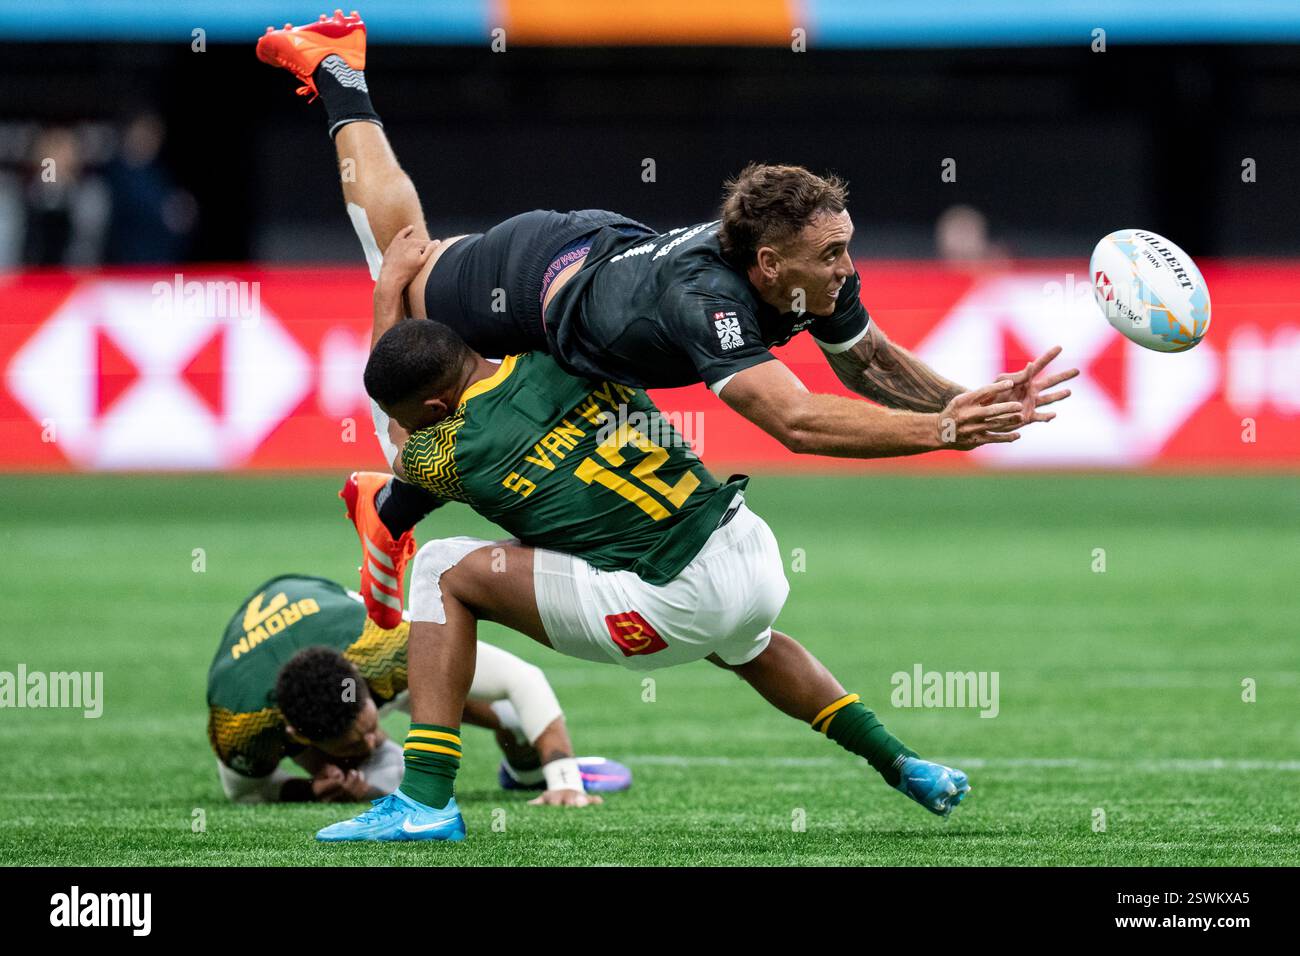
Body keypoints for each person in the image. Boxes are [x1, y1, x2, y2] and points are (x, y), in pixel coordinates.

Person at [256, 11, 1079, 629]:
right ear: (766, 267)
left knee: (474, 443)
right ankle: (339, 68)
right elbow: (791, 420)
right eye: (830, 255)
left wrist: (971, 398)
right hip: (528, 281)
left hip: (598, 256)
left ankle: (394, 512)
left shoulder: (816, 274)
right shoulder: (708, 300)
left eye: (845, 248)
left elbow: (866, 362)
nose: (846, 269)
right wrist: (940, 432)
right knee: (399, 283)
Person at [314, 307, 978, 842]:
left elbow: (397, 487)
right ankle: (900, 761)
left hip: (661, 605)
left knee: (439, 566)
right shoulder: (566, 349)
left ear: (431, 410)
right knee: (748, 645)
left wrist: (389, 287)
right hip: (746, 550)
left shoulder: (448, 448)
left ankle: (425, 799)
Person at [208, 573, 630, 808]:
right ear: (300, 736)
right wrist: (310, 790)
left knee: (514, 717)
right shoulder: (239, 723)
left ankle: (529, 767)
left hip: (326, 612)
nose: (374, 739)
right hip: (268, 673)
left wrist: (563, 781)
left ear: (358, 677)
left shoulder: (386, 646)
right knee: (384, 770)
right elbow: (244, 792)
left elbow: (523, 679)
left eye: (371, 725)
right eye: (357, 740)